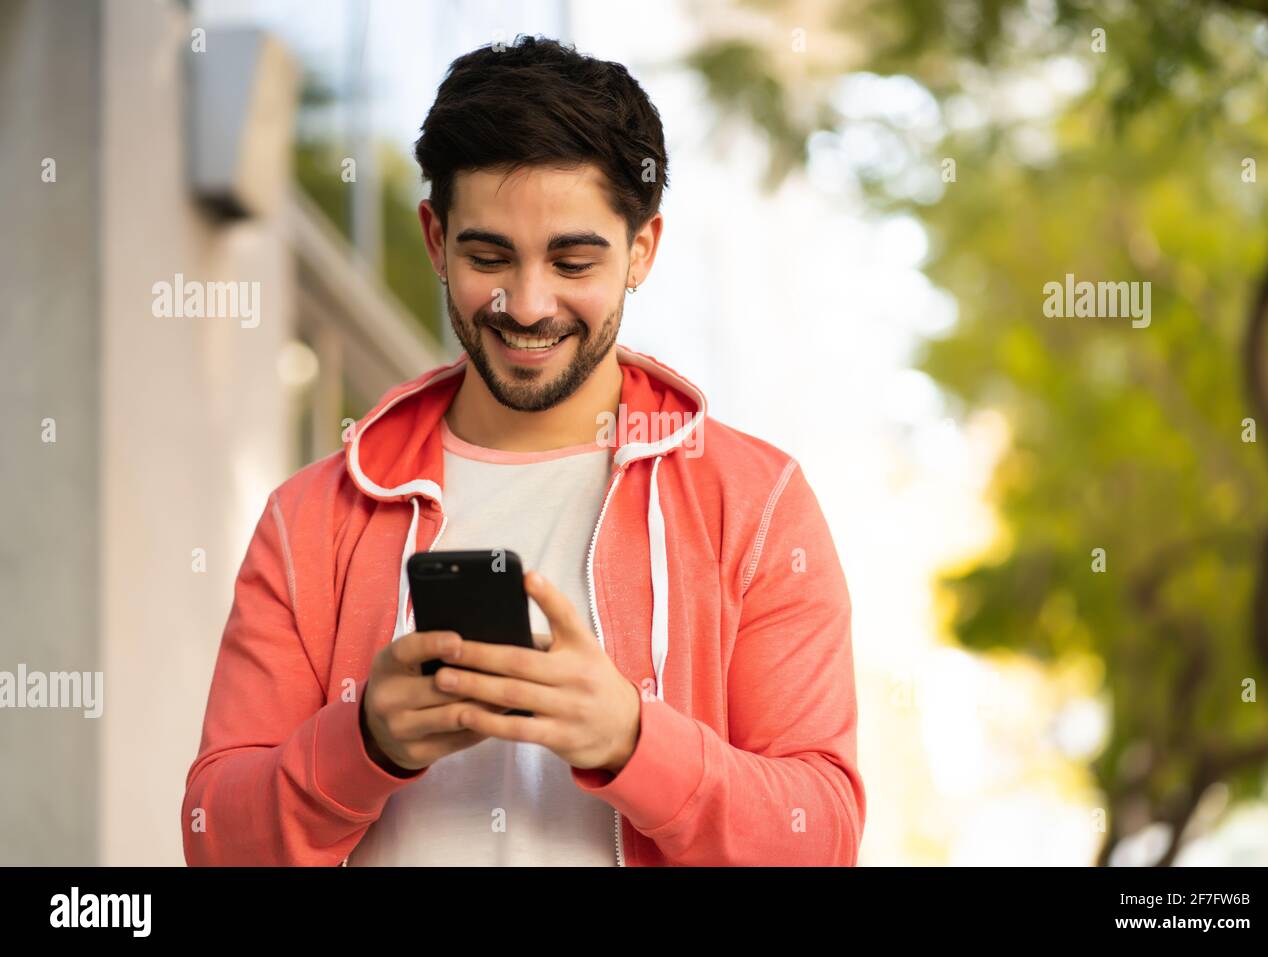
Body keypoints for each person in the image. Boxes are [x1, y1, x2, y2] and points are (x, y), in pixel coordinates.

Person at [182, 34, 865, 867]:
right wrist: (362, 742)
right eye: (488, 256)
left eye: (573, 259)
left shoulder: (757, 505)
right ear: (436, 240)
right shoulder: (309, 518)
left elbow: (820, 838)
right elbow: (215, 840)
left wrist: (632, 739)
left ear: (642, 250)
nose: (528, 304)